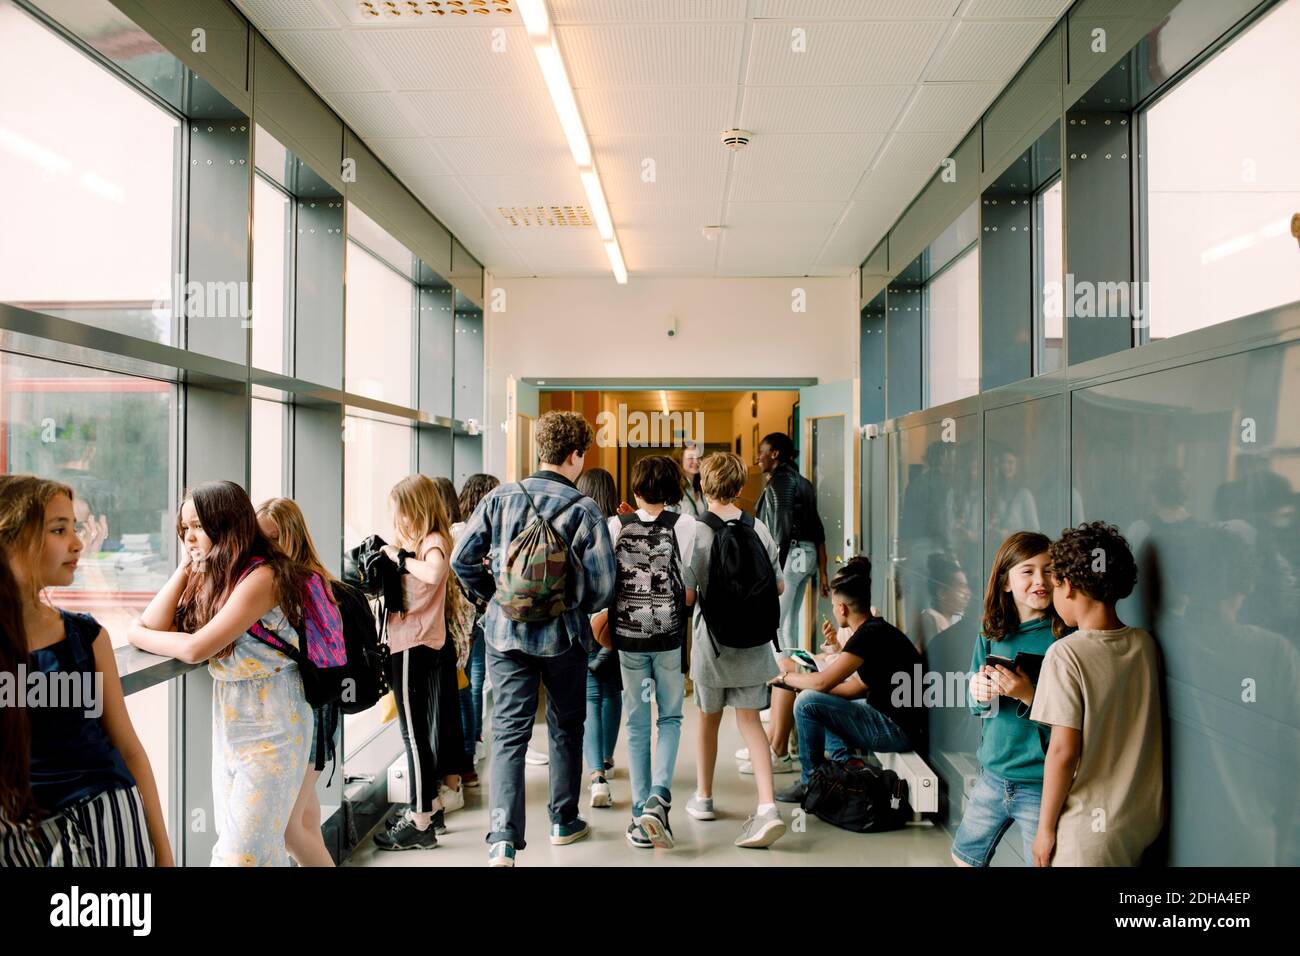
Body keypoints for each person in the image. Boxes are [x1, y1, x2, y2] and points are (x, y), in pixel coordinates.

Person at [451, 410, 616, 867]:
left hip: (505, 636)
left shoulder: (500, 498)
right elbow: (604, 587)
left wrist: (495, 599)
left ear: (540, 450)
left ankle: (502, 839)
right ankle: (563, 821)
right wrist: (572, 603)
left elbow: (461, 559)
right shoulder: (584, 510)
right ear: (575, 455)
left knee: (509, 734)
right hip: (565, 637)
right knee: (566, 726)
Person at [128, 479, 312, 867]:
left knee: (238, 856)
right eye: (184, 528)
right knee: (258, 851)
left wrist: (136, 634)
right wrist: (185, 566)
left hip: (274, 728)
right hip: (231, 726)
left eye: (198, 526)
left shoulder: (264, 577)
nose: (189, 537)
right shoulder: (219, 575)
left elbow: (195, 648)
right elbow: (156, 623)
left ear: (226, 523)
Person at [0, 476, 171, 867]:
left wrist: (163, 852)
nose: (77, 543)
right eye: (59, 530)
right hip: (18, 838)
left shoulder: (85, 637)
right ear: (11, 539)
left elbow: (129, 748)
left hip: (109, 826)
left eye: (73, 529)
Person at [1030, 522, 1164, 867]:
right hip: (1138, 822)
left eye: (1054, 585)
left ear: (1069, 586)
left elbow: (1062, 752)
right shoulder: (1144, 645)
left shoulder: (1065, 654)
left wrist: (1045, 830)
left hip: (1086, 833)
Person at [683, 452, 788, 849]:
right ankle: (768, 807)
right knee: (750, 722)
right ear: (741, 487)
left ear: (702, 485)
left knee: (707, 720)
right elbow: (778, 586)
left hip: (712, 646)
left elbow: (688, 596)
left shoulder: (696, 531)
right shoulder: (757, 527)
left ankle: (704, 798)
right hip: (754, 645)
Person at [771, 557, 924, 805]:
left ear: (842, 608)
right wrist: (815, 691)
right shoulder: (876, 629)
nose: (833, 610)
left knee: (807, 702)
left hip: (895, 729)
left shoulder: (865, 637)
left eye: (833, 605)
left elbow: (822, 682)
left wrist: (785, 678)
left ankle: (811, 784)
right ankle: (842, 763)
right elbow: (857, 687)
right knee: (819, 700)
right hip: (897, 721)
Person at [951, 532, 1057, 867]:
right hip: (992, 774)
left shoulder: (1063, 638)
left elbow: (1072, 720)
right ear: (1006, 582)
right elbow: (975, 703)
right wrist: (978, 693)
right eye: (1028, 571)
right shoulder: (991, 632)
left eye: (1049, 570)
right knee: (963, 857)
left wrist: (1027, 694)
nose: (1040, 580)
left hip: (1040, 784)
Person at [373, 475, 467, 850]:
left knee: (413, 736)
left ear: (416, 508)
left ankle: (420, 819)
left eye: (402, 512)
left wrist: (399, 558)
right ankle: (428, 809)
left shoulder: (433, 543)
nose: (399, 520)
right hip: (414, 643)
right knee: (418, 734)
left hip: (414, 644)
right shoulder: (421, 543)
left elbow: (434, 572)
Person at [608, 455, 695, 849]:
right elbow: (689, 581)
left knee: (637, 722)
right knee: (671, 717)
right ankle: (659, 798)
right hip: (667, 637)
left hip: (629, 638)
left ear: (637, 487)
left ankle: (639, 812)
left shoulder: (616, 525)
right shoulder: (686, 525)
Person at [255, 497, 342, 867]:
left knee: (290, 830)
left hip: (308, 708)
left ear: (292, 536)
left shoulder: (297, 584)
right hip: (316, 703)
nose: (268, 547)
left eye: (275, 538)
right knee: (305, 819)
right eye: (261, 539)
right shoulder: (315, 577)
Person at [574, 467, 622, 811]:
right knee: (612, 689)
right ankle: (606, 756)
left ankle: (596, 776)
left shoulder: (578, 523)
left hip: (587, 620)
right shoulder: (621, 526)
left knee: (590, 692)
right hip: (618, 623)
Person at [755, 432, 828, 652]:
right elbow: (817, 528)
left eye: (761, 452)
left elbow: (782, 530)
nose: (758, 458)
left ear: (774, 454)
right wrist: (823, 570)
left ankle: (782, 673)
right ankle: (793, 670)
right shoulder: (803, 482)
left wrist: (773, 569)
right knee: (788, 624)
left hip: (791, 555)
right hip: (806, 555)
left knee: (773, 623)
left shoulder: (780, 481)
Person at [454, 473, 501, 783]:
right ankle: (474, 745)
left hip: (460, 617)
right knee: (476, 682)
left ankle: (468, 752)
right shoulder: (492, 533)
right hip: (484, 614)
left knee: (466, 683)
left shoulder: (458, 532)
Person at [917, 551, 972, 649]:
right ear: (942, 593)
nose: (968, 594)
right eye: (961, 586)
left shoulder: (954, 621)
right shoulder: (930, 620)